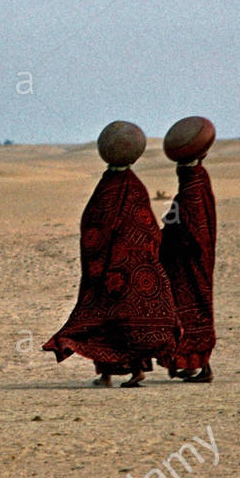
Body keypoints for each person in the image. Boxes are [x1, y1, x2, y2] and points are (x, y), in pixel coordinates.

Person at [43, 121, 178, 387]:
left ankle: (106, 375)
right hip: (135, 273)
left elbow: (93, 229)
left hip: (108, 274)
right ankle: (136, 369)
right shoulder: (135, 188)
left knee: (106, 321)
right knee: (129, 322)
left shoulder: (107, 190)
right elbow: (149, 229)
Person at [158, 116, 217, 382]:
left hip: (190, 262)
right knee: (192, 310)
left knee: (193, 311)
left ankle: (202, 366)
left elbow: (191, 229)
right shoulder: (197, 183)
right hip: (194, 262)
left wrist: (166, 235)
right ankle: (193, 364)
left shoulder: (193, 188)